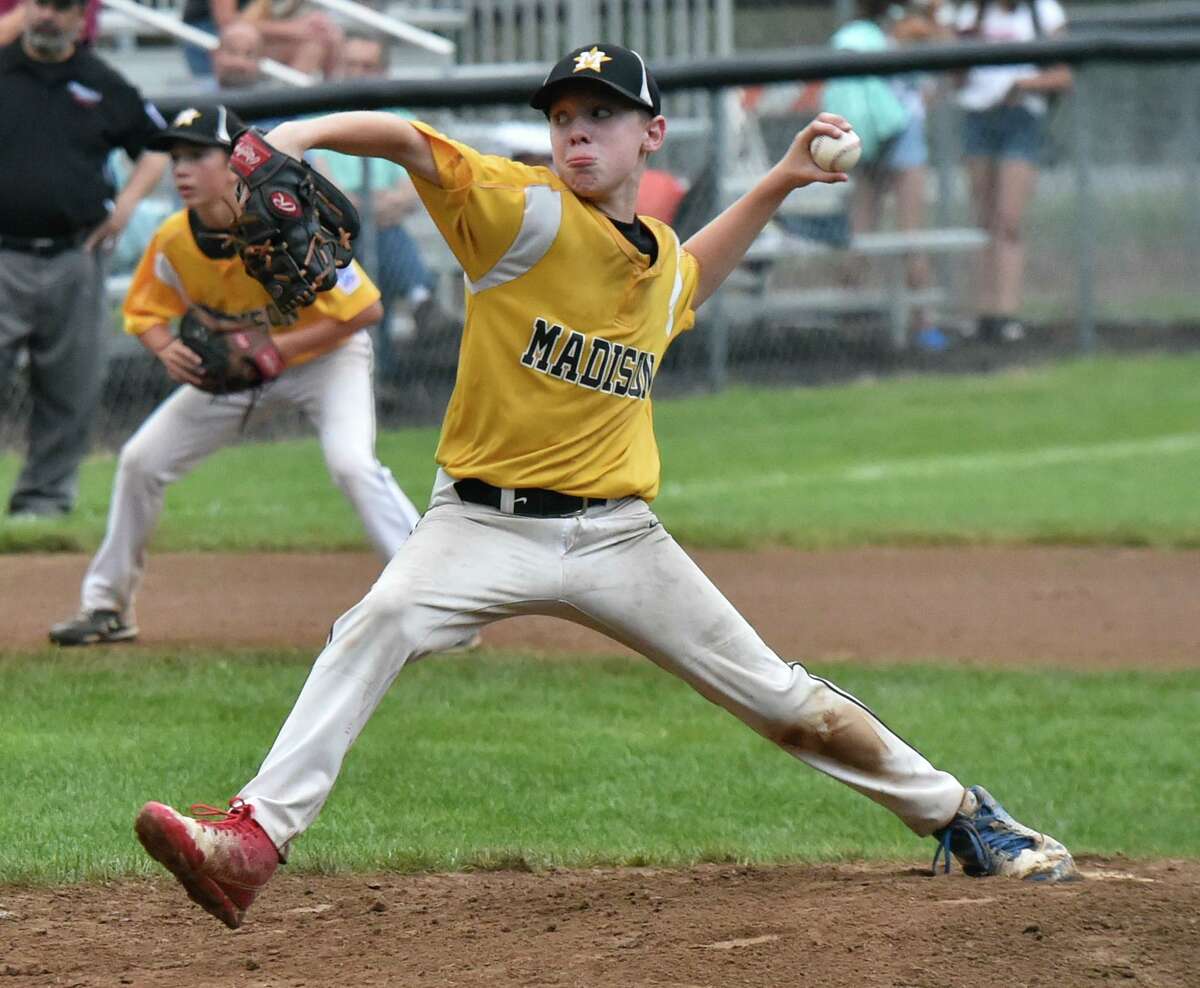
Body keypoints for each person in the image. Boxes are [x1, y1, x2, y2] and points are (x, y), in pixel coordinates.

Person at [133, 44, 1078, 930]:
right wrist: (293, 138)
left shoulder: (655, 258)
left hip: (620, 540)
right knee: (371, 627)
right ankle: (252, 843)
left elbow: (689, 281)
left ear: (651, 135)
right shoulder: (522, 209)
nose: (577, 131)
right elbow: (410, 141)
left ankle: (962, 815)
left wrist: (783, 180)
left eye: (602, 114)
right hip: (478, 527)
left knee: (784, 700)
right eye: (563, 117)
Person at [47, 105, 422, 646]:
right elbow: (144, 311)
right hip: (241, 372)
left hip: (326, 361)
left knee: (352, 465)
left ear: (235, 162)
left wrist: (278, 348)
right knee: (140, 462)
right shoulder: (175, 239)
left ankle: (429, 601)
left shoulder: (288, 218)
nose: (180, 169)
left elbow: (365, 312)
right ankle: (107, 606)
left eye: (197, 155)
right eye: (175, 157)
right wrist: (166, 348)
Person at [0, 0, 168, 519]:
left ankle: (44, 502)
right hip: (3, 253)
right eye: (42, 3)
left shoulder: (102, 82)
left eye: (64, 7)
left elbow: (159, 144)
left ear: (82, 19)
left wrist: (124, 208)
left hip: (76, 255)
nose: (50, 16)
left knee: (70, 387)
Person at [309, 32, 456, 382]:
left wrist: (365, 207)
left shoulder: (402, 120)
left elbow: (412, 189)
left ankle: (379, 379)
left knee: (379, 260)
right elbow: (325, 189)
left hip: (376, 226)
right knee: (377, 239)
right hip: (332, 238)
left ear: (384, 73)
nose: (360, 73)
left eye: (369, 66)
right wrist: (370, 206)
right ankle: (421, 297)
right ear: (339, 69)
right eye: (353, 65)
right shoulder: (320, 117)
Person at [955, 0, 1071, 343]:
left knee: (1008, 220)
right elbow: (956, 77)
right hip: (978, 119)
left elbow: (1063, 74)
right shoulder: (971, 13)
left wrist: (1021, 85)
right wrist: (969, 34)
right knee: (983, 221)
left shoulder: (1043, 12)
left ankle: (1006, 313)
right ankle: (984, 313)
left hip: (1021, 119)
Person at [180, 0, 341, 79]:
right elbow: (226, 22)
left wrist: (313, 24)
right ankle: (287, 108)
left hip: (254, 35)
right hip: (210, 37)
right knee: (313, 42)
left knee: (325, 37)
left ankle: (333, 105)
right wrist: (295, 29)